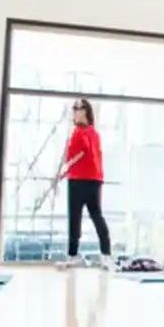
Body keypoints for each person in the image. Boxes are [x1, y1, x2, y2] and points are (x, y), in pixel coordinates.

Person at [56, 99, 111, 270]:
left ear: (86, 111)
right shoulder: (83, 133)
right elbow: (75, 156)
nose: (76, 112)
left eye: (80, 109)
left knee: (95, 215)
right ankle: (74, 255)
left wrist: (67, 168)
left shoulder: (87, 133)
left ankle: (105, 255)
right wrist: (66, 170)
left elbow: (82, 153)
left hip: (88, 179)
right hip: (80, 179)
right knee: (76, 217)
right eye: (75, 109)